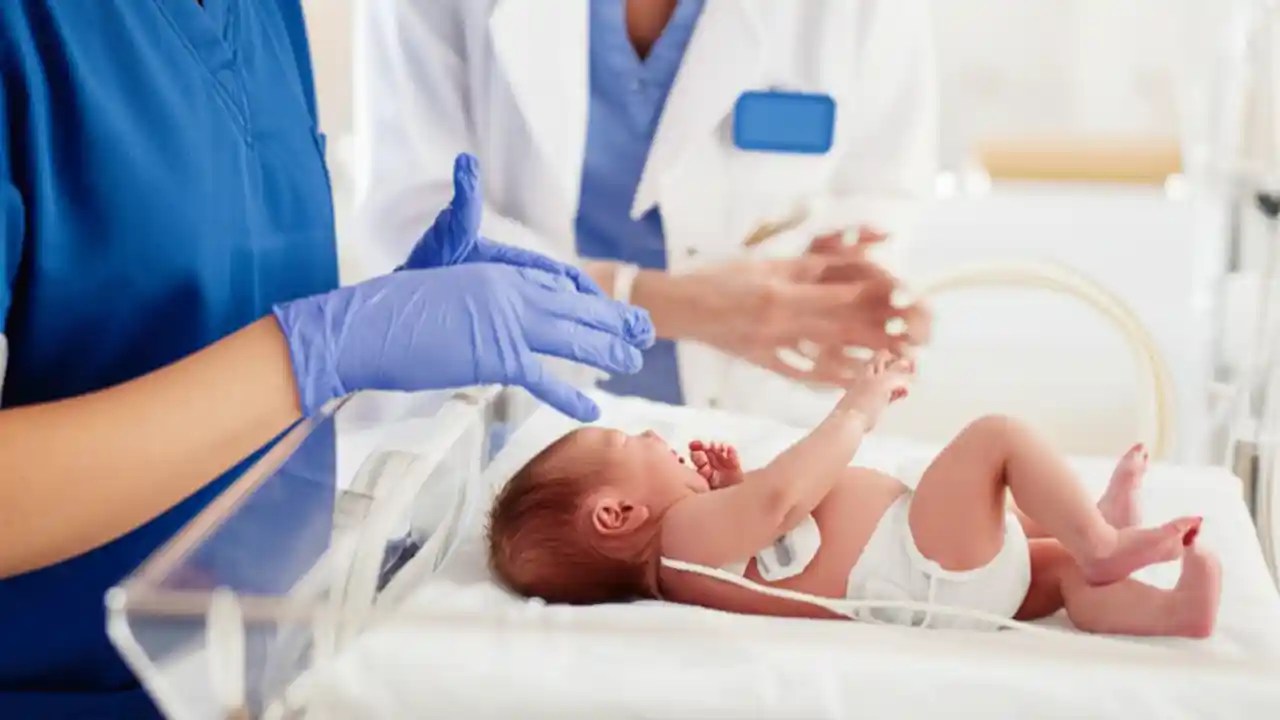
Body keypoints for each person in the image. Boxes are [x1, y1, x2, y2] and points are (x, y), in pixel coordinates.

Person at [0, 3, 651, 717]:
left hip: (256, 666)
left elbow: (197, 310)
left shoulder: (264, 14)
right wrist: (317, 349)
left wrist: (387, 322)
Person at [355, 0, 936, 417]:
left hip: (756, 415)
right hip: (497, 413)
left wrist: (845, 294)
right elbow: (419, 219)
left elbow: (881, 191)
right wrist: (680, 305)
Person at [488, 353, 1220, 638]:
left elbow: (771, 534)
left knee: (1048, 568)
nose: (651, 436)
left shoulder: (691, 550)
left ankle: (1161, 607)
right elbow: (783, 503)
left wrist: (727, 487)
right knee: (996, 440)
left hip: (935, 575)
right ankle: (1100, 542)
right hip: (918, 560)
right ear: (616, 515)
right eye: (629, 444)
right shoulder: (680, 544)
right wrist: (856, 411)